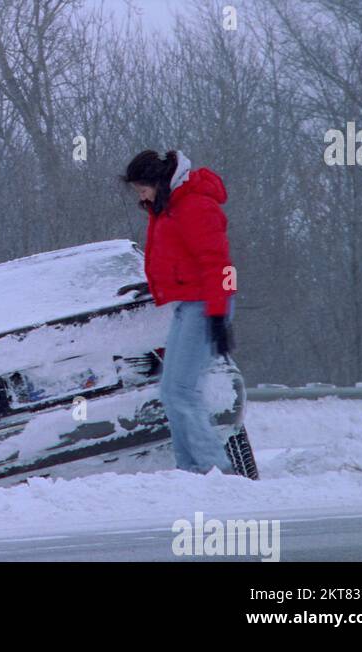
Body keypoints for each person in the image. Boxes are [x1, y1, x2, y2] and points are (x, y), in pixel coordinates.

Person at [120, 150, 237, 474]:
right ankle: (190, 472)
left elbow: (219, 264)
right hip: (189, 305)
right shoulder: (167, 207)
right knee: (172, 391)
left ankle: (215, 470)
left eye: (142, 188)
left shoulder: (194, 205)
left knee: (182, 391)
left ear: (158, 181)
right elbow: (176, 258)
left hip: (206, 306)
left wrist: (217, 315)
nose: (140, 195)